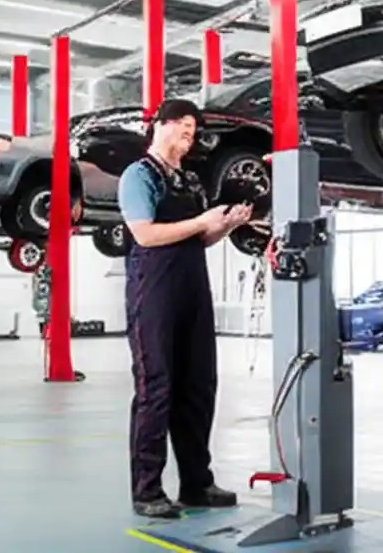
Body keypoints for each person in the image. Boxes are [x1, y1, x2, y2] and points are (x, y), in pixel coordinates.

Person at [117, 98, 253, 518]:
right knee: (157, 388)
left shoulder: (190, 180)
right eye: (184, 127)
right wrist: (201, 222)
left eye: (193, 130)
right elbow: (145, 235)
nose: (189, 135)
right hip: (153, 290)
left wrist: (225, 225)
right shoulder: (139, 176)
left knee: (198, 386)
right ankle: (147, 490)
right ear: (160, 125)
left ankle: (196, 483)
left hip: (193, 288)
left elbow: (199, 240)